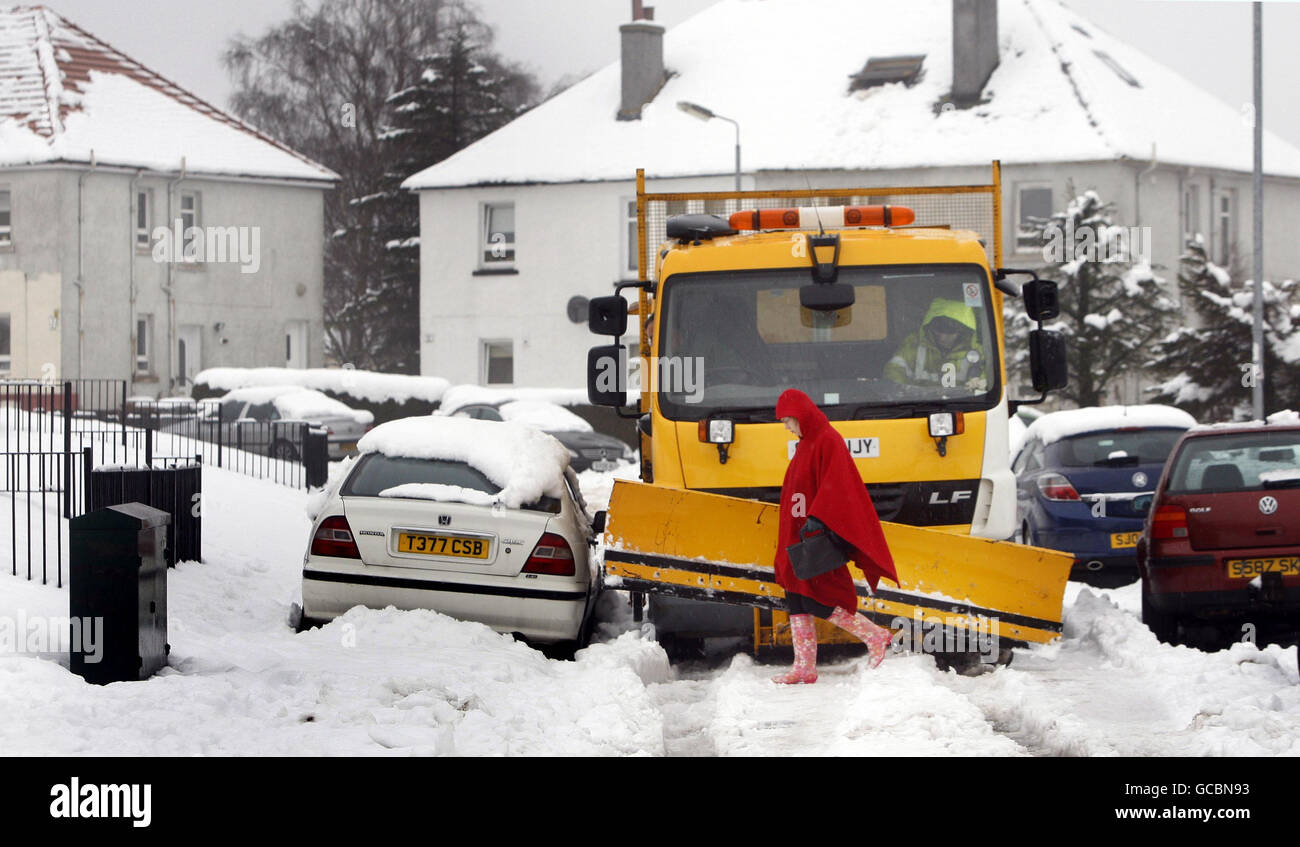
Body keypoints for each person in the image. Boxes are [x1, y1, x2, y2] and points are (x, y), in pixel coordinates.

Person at [772, 388, 899, 684]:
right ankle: (804, 666)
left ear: (801, 416)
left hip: (813, 535)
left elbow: (838, 486)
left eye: (789, 421)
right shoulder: (806, 443)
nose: (788, 428)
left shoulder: (828, 440)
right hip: (797, 534)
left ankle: (875, 635)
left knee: (819, 599)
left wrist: (816, 519)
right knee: (796, 598)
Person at [883, 298, 987, 392]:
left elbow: (989, 379)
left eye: (949, 332)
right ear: (929, 326)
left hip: (965, 407)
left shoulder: (976, 351)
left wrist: (979, 383)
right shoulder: (915, 344)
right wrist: (906, 391)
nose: (942, 337)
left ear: (962, 331)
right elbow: (893, 372)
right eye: (937, 330)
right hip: (920, 406)